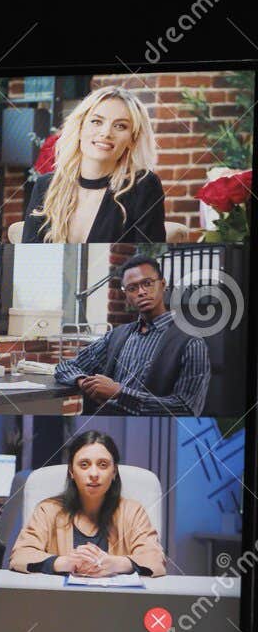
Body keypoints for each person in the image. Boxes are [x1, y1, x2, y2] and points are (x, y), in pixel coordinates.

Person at [55, 254, 209, 415]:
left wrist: (120, 393)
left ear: (163, 284)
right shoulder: (117, 335)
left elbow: (187, 408)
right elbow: (66, 366)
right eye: (132, 288)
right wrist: (84, 382)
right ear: (126, 295)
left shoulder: (191, 342)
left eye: (147, 284)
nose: (141, 292)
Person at [7, 431, 165, 577]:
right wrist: (65, 563)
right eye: (84, 465)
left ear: (114, 471)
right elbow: (20, 556)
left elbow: (155, 560)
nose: (94, 474)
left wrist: (115, 564)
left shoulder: (133, 511)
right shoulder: (48, 510)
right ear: (71, 472)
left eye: (103, 465)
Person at [21, 86, 166, 244]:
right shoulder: (46, 186)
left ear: (132, 139)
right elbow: (29, 258)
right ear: (80, 128)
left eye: (120, 126)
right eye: (96, 121)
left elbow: (147, 261)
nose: (106, 133)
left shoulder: (143, 186)